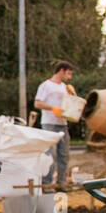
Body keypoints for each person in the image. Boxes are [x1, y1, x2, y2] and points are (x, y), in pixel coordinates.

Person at [34, 60, 76, 190]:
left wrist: (74, 97)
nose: (69, 77)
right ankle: (47, 184)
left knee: (64, 154)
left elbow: (73, 104)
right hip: (49, 123)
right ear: (61, 71)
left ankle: (61, 182)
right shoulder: (46, 86)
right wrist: (52, 108)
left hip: (62, 123)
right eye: (68, 74)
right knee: (50, 155)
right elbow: (37, 103)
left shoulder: (65, 87)